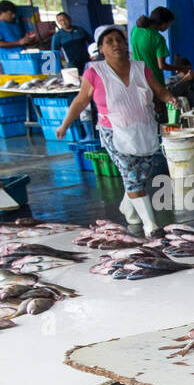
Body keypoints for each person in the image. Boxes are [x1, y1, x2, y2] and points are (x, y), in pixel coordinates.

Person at [56, 25, 177, 234]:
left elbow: (159, 90)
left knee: (139, 177)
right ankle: (151, 225)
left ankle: (127, 207)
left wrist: (170, 99)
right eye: (109, 41)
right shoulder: (94, 72)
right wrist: (65, 124)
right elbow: (81, 100)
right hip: (114, 132)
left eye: (119, 40)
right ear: (101, 48)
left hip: (144, 129)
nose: (116, 45)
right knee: (132, 175)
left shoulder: (141, 68)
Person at [130, 6, 176, 87]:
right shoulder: (158, 39)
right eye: (168, 24)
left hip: (138, 80)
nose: (168, 27)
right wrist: (181, 68)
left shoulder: (135, 30)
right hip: (155, 83)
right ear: (163, 23)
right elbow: (162, 66)